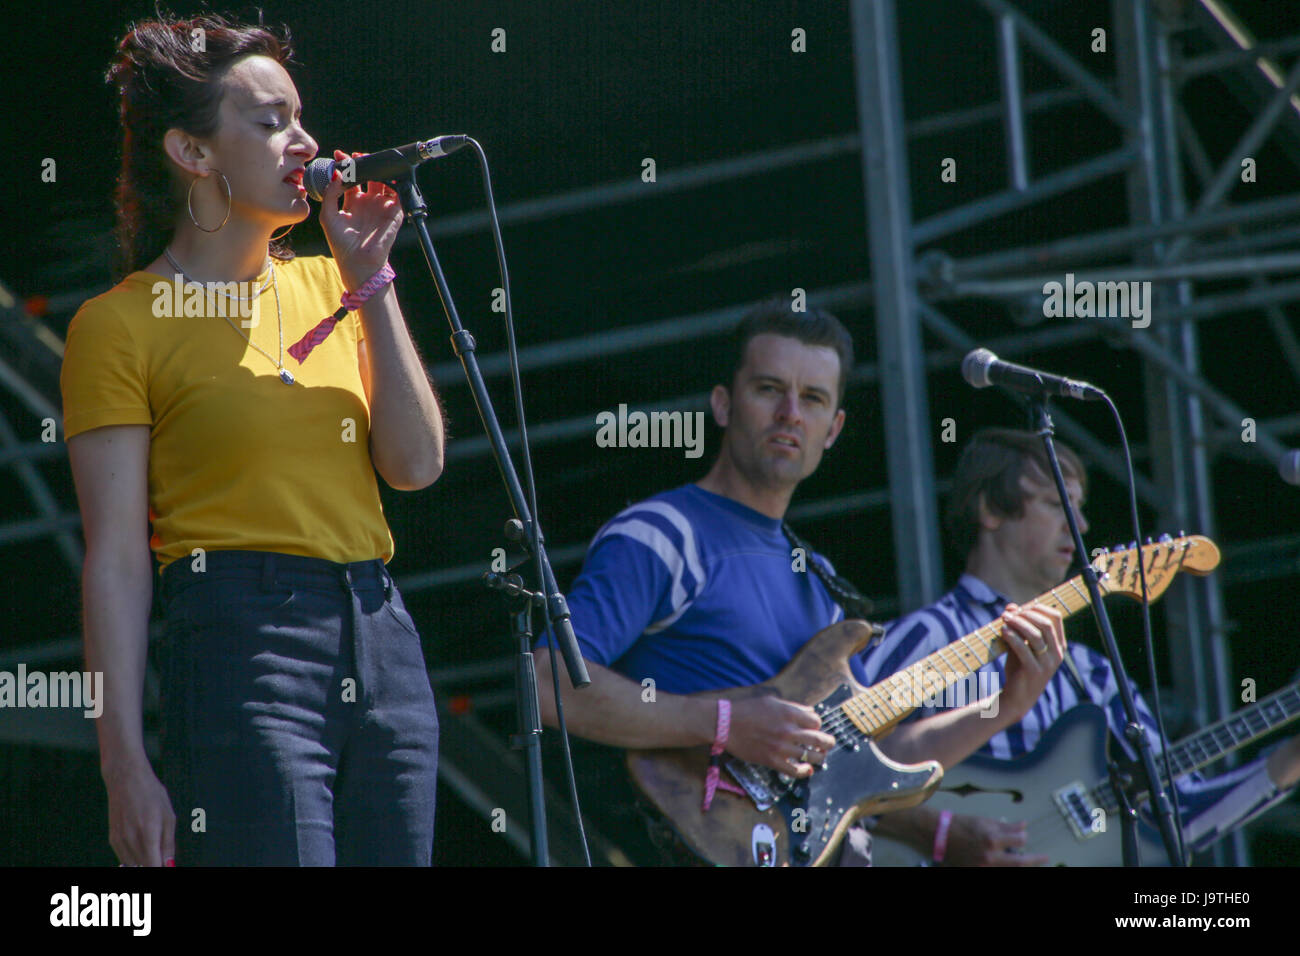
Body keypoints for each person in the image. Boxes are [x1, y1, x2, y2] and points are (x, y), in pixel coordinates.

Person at [61, 14, 445, 866]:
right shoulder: (119, 325)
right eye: (269, 123)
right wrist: (123, 764)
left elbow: (415, 467)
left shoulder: (334, 281)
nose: (301, 141)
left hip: (380, 628)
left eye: (299, 117)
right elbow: (117, 560)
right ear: (194, 155)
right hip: (244, 634)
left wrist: (369, 283)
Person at [533, 299, 1068, 864]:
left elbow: (870, 755)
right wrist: (723, 724)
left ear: (833, 429)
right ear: (723, 404)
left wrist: (1004, 706)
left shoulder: (822, 582)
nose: (791, 412)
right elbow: (548, 683)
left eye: (813, 399)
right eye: (769, 389)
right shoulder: (663, 535)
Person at [865, 428, 1300, 865]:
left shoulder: (1091, 674)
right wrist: (942, 836)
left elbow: (1180, 815)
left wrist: (1291, 758)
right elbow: (837, 769)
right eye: (1057, 504)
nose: (1080, 525)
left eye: (1079, 507)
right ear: (990, 510)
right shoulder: (926, 637)